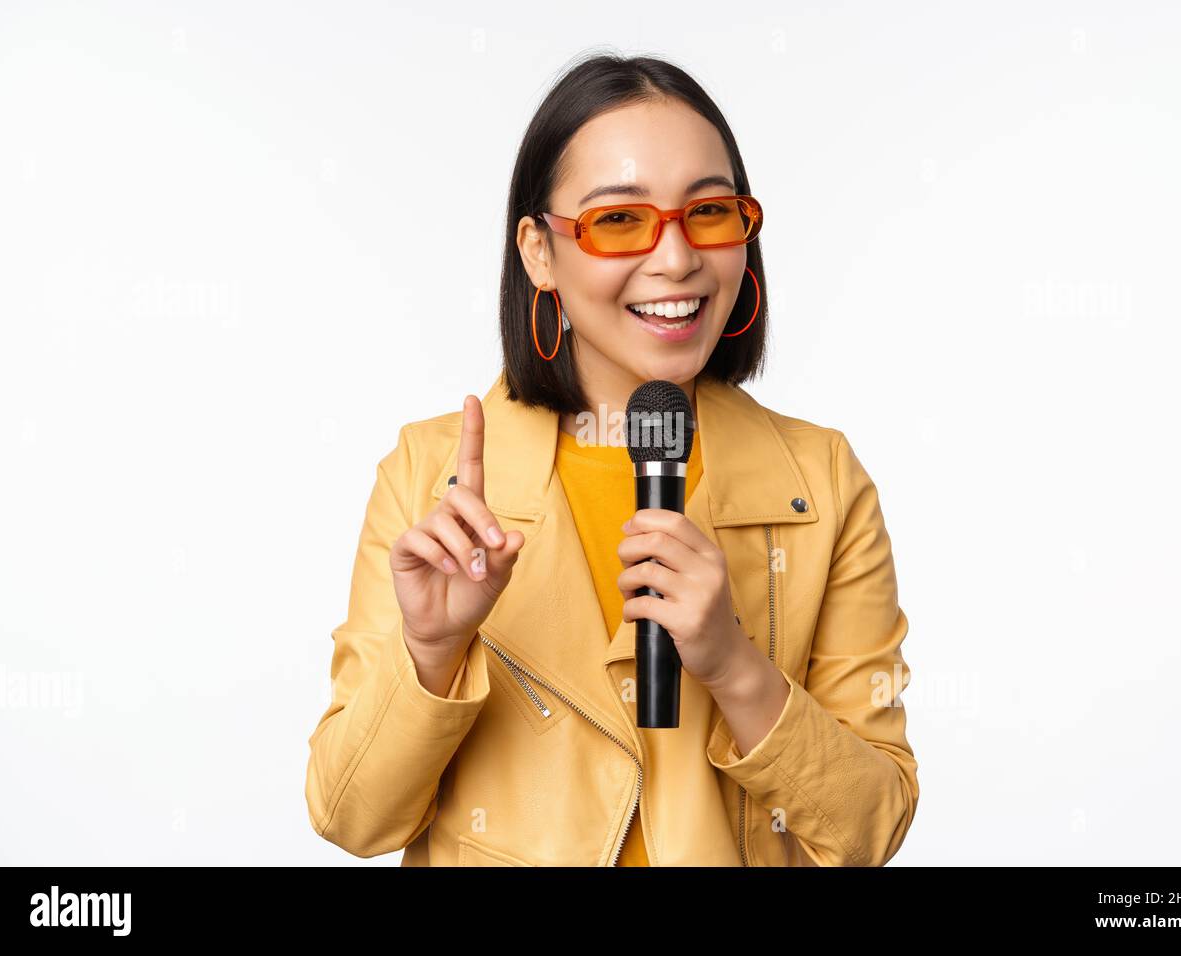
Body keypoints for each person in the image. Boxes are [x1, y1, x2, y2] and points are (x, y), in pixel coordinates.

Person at [305, 52, 919, 866]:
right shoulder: (430, 476)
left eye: (709, 213)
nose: (676, 261)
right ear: (539, 252)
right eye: (620, 221)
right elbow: (352, 818)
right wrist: (429, 654)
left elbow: (869, 829)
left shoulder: (822, 482)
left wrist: (735, 667)